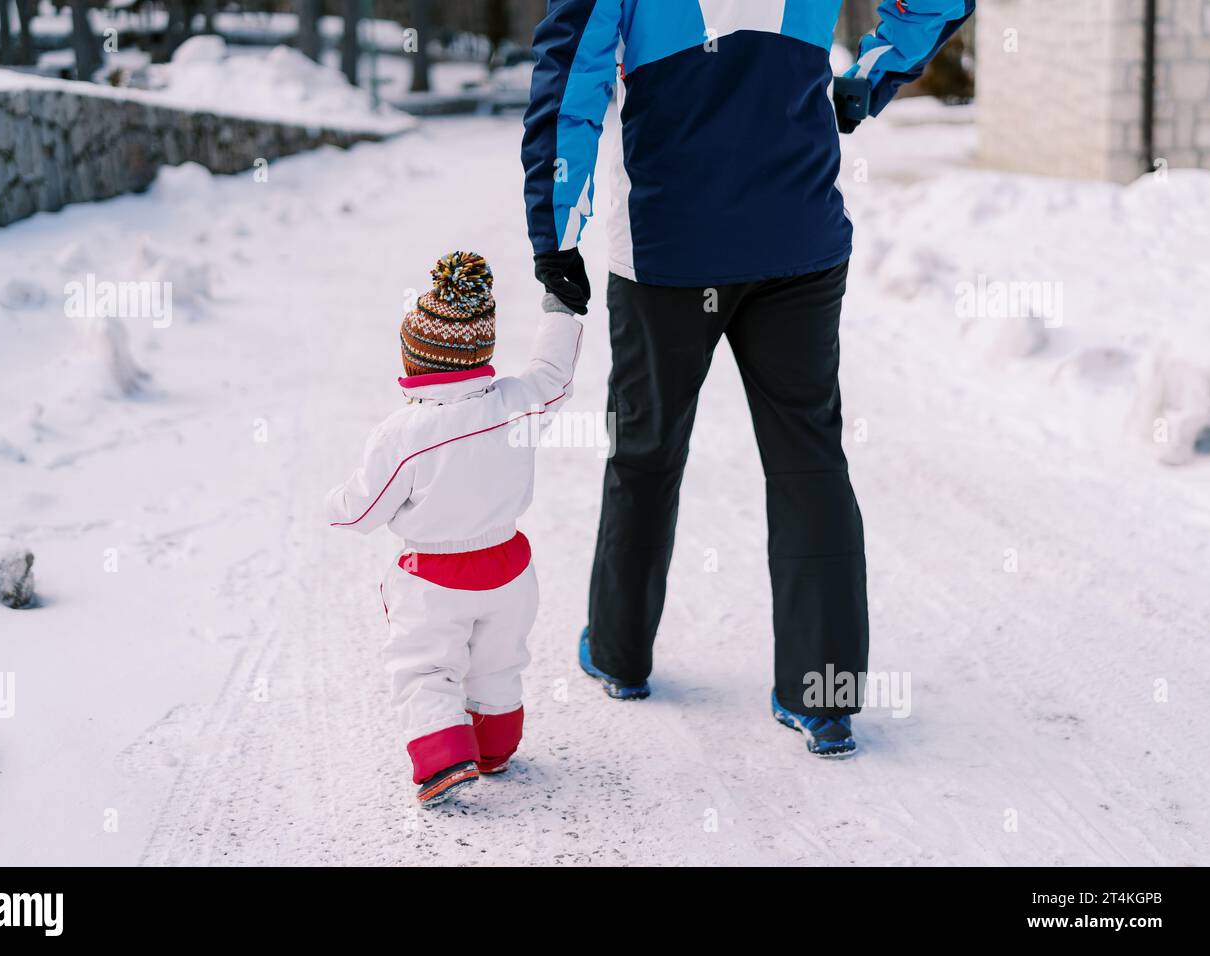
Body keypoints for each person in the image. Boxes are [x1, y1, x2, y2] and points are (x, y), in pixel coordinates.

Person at [522, 0, 974, 757]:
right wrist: (868, 76)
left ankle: (620, 654)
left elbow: (574, 77)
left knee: (644, 452)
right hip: (797, 235)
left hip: (669, 251)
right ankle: (823, 696)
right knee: (809, 459)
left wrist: (555, 234)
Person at [325, 252, 583, 805]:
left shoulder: (403, 433)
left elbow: (363, 512)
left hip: (436, 579)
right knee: (498, 661)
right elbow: (554, 375)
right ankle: (494, 747)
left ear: (415, 360)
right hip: (510, 569)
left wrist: (335, 505)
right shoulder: (516, 402)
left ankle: (444, 759)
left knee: (426, 667)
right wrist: (561, 309)